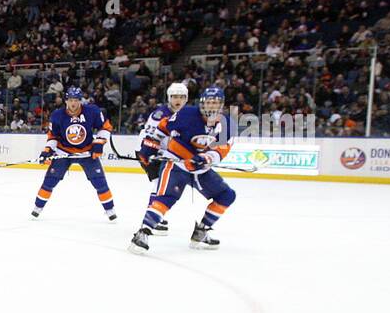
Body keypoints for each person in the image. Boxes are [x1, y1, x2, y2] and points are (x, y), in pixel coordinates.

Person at [129, 85, 238, 255]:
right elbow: (163, 127)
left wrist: (205, 158)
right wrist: (149, 147)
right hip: (176, 164)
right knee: (166, 198)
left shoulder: (227, 124)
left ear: (221, 104)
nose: (211, 106)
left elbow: (221, 149)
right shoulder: (187, 114)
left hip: (200, 169)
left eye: (215, 102)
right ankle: (142, 234)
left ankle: (201, 231)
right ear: (202, 103)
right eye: (208, 102)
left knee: (226, 195)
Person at [31, 86, 116, 221]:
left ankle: (110, 209)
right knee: (50, 181)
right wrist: (47, 150)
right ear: (66, 101)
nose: (73, 103)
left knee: (99, 182)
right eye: (71, 100)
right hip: (63, 152)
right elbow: (53, 136)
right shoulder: (57, 115)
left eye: (76, 100)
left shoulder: (92, 111)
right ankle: (37, 207)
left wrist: (99, 143)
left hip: (86, 152)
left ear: (80, 101)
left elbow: (105, 127)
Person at [132, 81, 192, 236]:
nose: (177, 100)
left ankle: (153, 216)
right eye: (174, 97)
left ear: (186, 98)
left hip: (164, 153)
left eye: (181, 97)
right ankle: (152, 219)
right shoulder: (160, 114)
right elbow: (150, 136)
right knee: (159, 184)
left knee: (162, 184)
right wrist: (147, 153)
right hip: (148, 151)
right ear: (169, 98)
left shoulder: (187, 115)